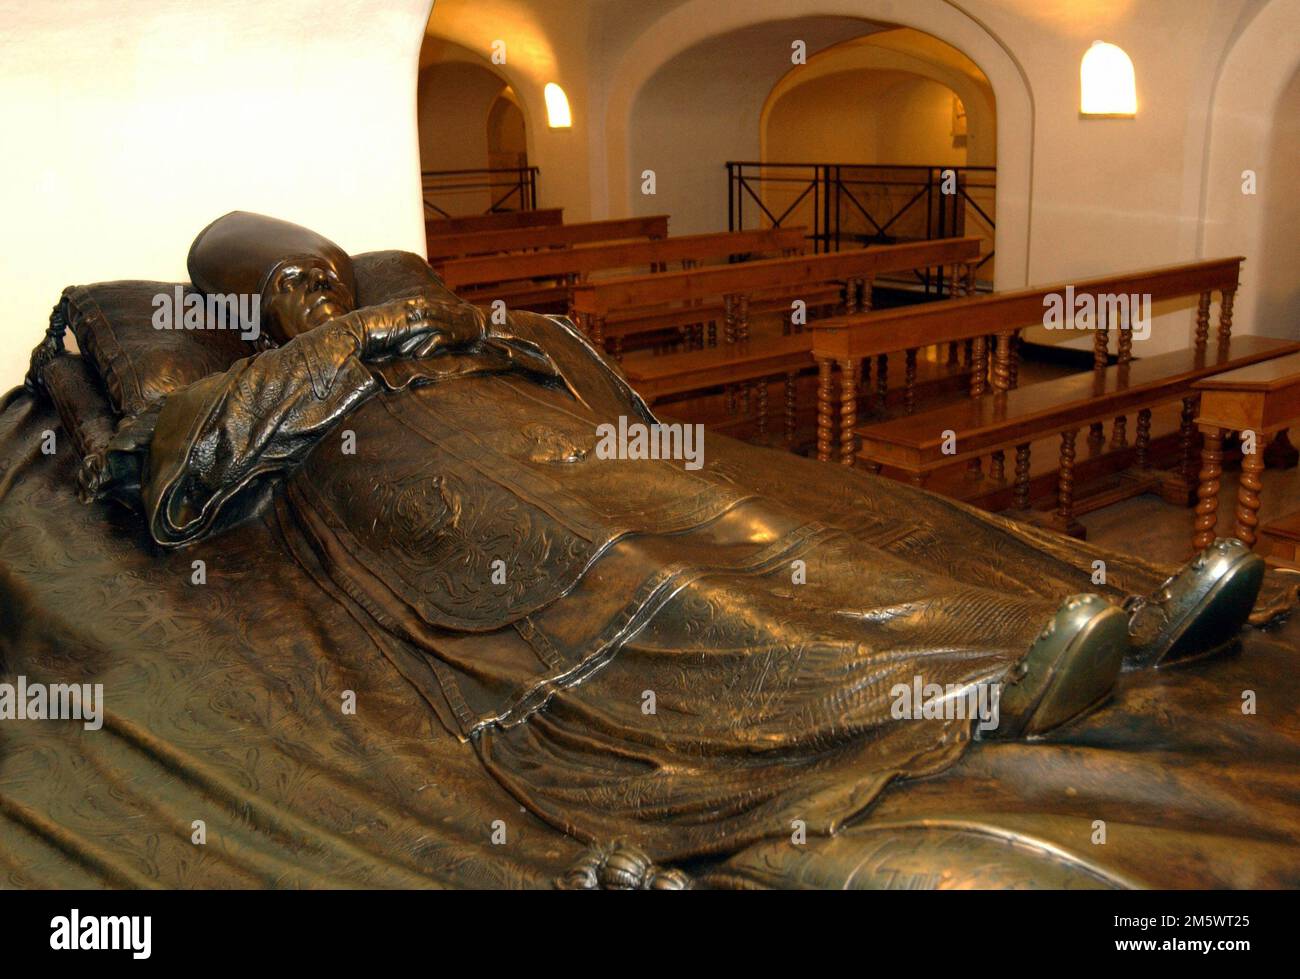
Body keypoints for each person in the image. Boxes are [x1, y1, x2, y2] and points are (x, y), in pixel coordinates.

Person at [87, 211, 1272, 860]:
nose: (318, 294)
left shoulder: (442, 327)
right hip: (415, 488)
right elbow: (189, 484)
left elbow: (592, 381)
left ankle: (1097, 627)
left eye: (327, 277)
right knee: (689, 591)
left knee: (763, 524)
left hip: (556, 445)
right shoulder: (253, 380)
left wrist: (455, 329)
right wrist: (359, 349)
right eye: (290, 285)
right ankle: (963, 694)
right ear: (245, 307)